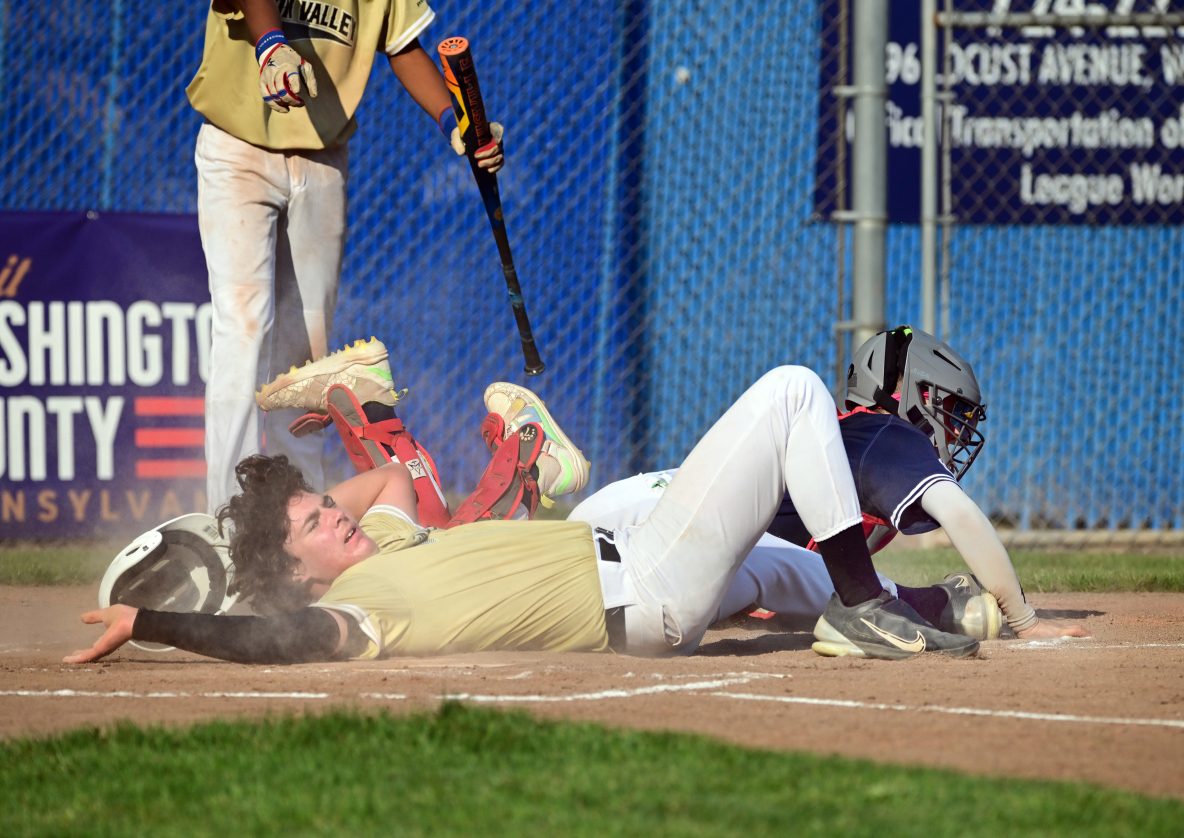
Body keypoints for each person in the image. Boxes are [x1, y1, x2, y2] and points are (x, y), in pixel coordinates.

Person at [67, 357, 984, 665]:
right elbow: (272, 644)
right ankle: (864, 608)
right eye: (313, 526)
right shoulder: (350, 611)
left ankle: (918, 604)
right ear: (294, 575)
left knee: (772, 560)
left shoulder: (384, 539)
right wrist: (156, 618)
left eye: (320, 507)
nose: (332, 517)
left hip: (635, 551)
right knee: (791, 393)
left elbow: (382, 487)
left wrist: (285, 508)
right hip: (643, 588)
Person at [570, 326, 1088, 643]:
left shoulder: (853, 442)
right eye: (949, 411)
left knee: (771, 581)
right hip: (642, 530)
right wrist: (1024, 618)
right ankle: (537, 471)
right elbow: (960, 514)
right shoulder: (885, 431)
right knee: (849, 591)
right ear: (907, 396)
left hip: (642, 529)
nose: (954, 431)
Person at [188, 0, 504, 513]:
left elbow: (403, 47)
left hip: (322, 160)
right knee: (243, 326)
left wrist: (454, 119)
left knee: (308, 350)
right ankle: (233, 515)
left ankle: (301, 509)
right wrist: (270, 44)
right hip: (236, 149)